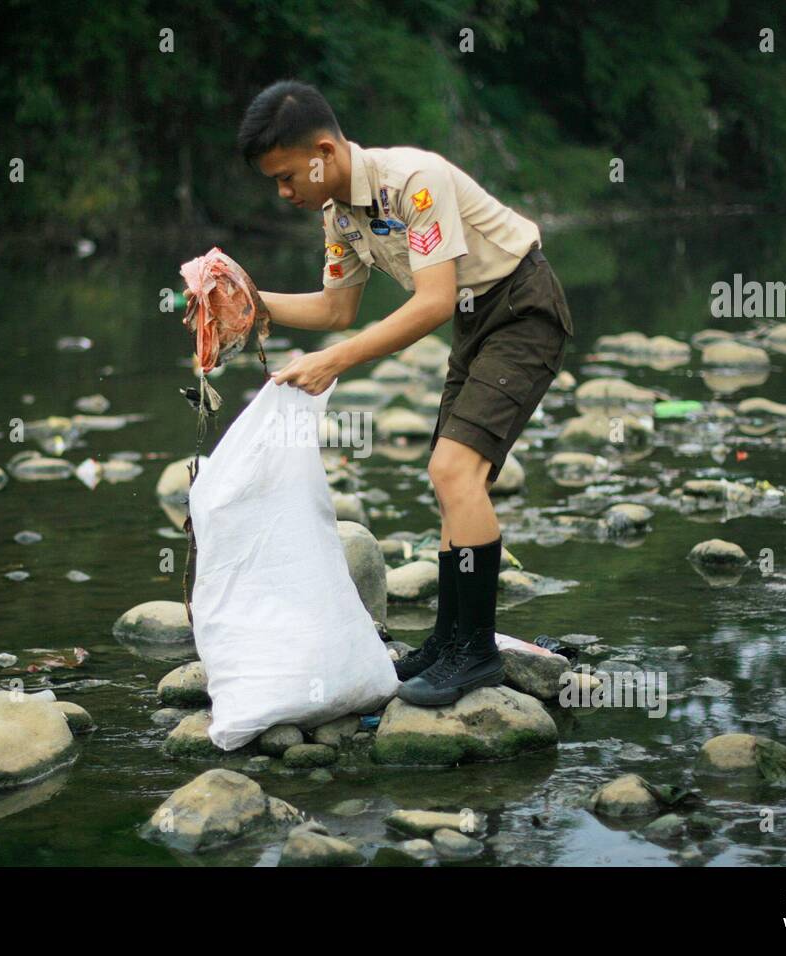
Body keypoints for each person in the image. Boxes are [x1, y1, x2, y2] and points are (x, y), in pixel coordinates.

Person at [237, 80, 574, 707]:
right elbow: (338, 308)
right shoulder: (339, 215)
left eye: (286, 177)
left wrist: (334, 363)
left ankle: (475, 655)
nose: (284, 193)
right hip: (478, 322)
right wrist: (249, 305)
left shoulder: (413, 181)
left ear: (322, 152)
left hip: (523, 309)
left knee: (455, 470)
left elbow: (433, 301)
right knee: (447, 476)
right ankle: (449, 641)